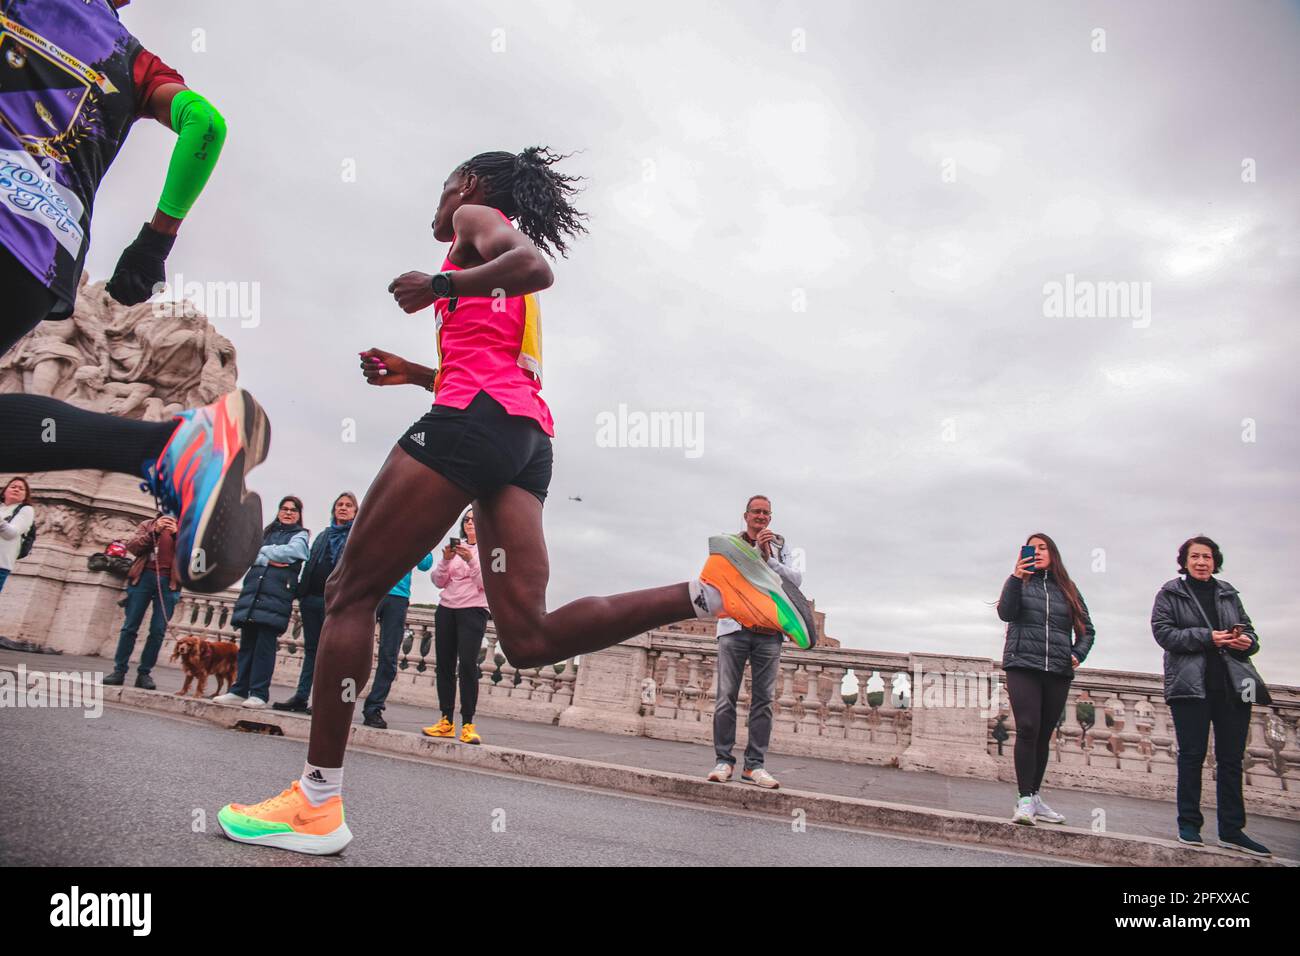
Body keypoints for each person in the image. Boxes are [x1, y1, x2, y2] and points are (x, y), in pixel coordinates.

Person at [218, 147, 816, 855]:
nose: (437, 206)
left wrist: (436, 287)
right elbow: (492, 357)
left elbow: (538, 267)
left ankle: (315, 803)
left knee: (349, 590)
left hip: (476, 425)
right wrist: (417, 373)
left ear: (467, 186)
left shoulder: (478, 219)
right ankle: (709, 590)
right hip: (523, 439)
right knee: (529, 639)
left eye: (442, 188)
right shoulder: (489, 269)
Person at [0, 0, 268, 594]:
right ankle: (169, 445)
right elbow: (207, 125)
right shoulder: (136, 62)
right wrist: (153, 244)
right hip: (38, 256)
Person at [1151, 536, 1271, 857]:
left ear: (1215, 561)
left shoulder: (1227, 592)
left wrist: (1247, 641)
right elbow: (1163, 633)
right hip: (1190, 688)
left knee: (1231, 760)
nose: (1202, 562)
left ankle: (1232, 830)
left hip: (1232, 687)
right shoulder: (1170, 593)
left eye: (1207, 556)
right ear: (1185, 561)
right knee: (1191, 756)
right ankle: (1189, 825)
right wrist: (1208, 637)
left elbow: (1251, 633)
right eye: (1195, 557)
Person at [995, 533, 1095, 826]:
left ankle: (1035, 797)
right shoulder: (1017, 582)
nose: (1037, 552)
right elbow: (1005, 613)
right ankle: (1024, 799)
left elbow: (1087, 629)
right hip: (1023, 664)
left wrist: (1078, 653)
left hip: (1057, 670)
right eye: (1032, 548)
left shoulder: (1068, 589)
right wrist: (1015, 577)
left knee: (1043, 733)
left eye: (1043, 548)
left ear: (1053, 554)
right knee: (1027, 728)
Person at [705, 496, 803, 789]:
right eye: (756, 511)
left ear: (770, 519)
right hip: (734, 630)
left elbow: (796, 580)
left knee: (763, 702)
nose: (760, 516)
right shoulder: (729, 546)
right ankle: (723, 761)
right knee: (726, 699)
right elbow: (714, 579)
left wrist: (768, 556)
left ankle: (754, 766)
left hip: (769, 632)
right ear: (745, 516)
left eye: (765, 513)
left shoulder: (783, 549)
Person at [214, 497, 308, 708]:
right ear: (278, 511)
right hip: (253, 596)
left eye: (293, 510)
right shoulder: (266, 533)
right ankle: (239, 690)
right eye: (284, 508)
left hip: (275, 599)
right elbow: (246, 555)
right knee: (247, 646)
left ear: (299, 514)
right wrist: (270, 557)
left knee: (264, 648)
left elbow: (294, 553)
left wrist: (261, 552)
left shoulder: (300, 536)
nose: (288, 512)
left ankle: (259, 693)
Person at [272, 493, 357, 714]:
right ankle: (301, 696)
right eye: (339, 504)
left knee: (331, 654)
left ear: (356, 512)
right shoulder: (323, 535)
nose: (343, 508)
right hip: (311, 599)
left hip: (336, 603)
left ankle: (324, 701)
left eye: (349, 505)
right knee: (311, 650)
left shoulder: (355, 537)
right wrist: (302, 592)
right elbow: (309, 563)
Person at [421, 509, 488, 744]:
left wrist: (470, 561)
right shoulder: (456, 550)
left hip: (473, 610)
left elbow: (485, 584)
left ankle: (468, 724)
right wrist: (446, 560)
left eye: (474, 519)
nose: (470, 523)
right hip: (447, 608)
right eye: (466, 520)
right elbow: (439, 580)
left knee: (468, 665)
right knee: (444, 665)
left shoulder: (490, 550)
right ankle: (446, 720)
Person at [104, 511, 182, 689]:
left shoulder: (185, 530)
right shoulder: (148, 525)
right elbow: (133, 547)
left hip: (169, 584)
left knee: (158, 630)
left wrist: (177, 535)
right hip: (143, 578)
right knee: (130, 627)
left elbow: (194, 557)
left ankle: (144, 673)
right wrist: (154, 532)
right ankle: (119, 670)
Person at [361, 548, 435, 729]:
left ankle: (374, 708)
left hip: (398, 597)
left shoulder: (415, 527)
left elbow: (425, 564)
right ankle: (338, 701)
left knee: (389, 655)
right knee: (352, 649)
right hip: (370, 590)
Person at [0, 477, 36, 594]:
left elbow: (11, 534)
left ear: (25, 496)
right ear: (4, 491)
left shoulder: (26, 510)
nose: (16, 489)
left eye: (21, 489)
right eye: (13, 487)